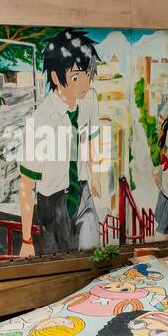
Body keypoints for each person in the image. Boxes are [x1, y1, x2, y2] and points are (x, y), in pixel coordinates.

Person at [16, 29, 104, 258]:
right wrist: (26, 239)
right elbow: (26, 186)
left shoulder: (90, 100)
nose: (85, 83)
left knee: (93, 253)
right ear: (56, 78)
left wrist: (95, 179)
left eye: (87, 73)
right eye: (76, 76)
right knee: (60, 263)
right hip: (52, 203)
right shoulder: (41, 121)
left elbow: (92, 142)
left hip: (82, 192)